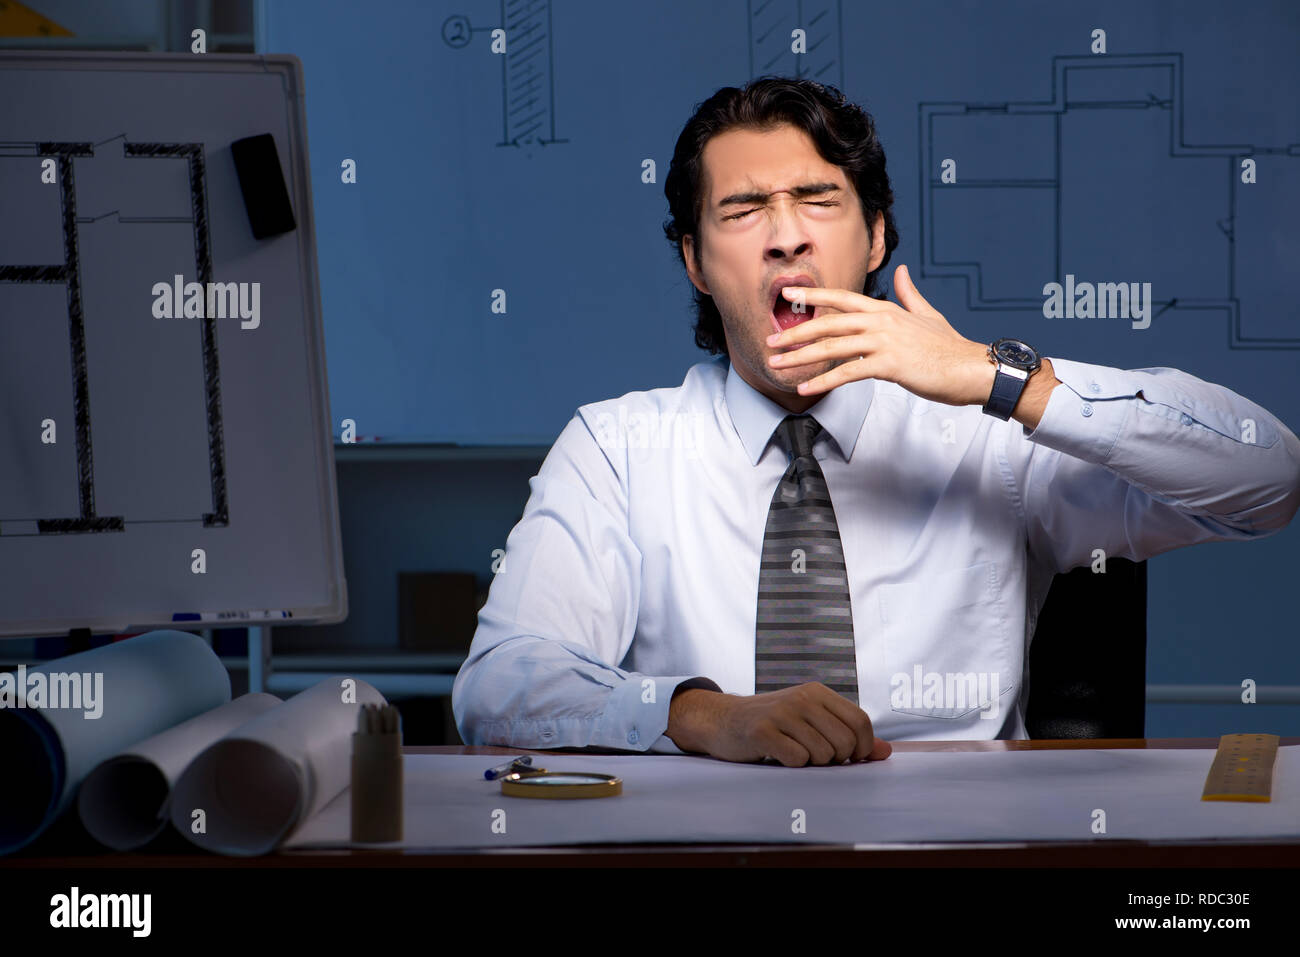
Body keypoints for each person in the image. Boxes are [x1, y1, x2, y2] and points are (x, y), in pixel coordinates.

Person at [452, 76, 1300, 767]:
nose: (785, 237)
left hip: (960, 861)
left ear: (875, 236)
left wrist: (997, 378)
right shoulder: (618, 447)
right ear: (695, 261)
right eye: (744, 210)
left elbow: (1268, 481)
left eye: (819, 199)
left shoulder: (990, 428)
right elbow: (498, 687)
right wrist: (702, 715)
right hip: (711, 861)